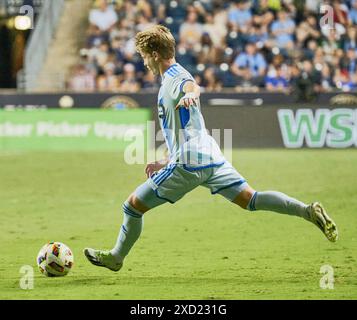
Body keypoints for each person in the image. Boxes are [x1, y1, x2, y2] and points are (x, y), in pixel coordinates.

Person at [84, 25, 338, 272]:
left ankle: (116, 258)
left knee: (132, 207)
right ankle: (307, 211)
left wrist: (191, 94)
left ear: (155, 55)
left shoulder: (175, 77)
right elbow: (185, 129)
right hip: (208, 154)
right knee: (250, 199)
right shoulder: (171, 78)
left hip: (190, 161)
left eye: (143, 57)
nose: (144, 63)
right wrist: (164, 161)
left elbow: (190, 86)